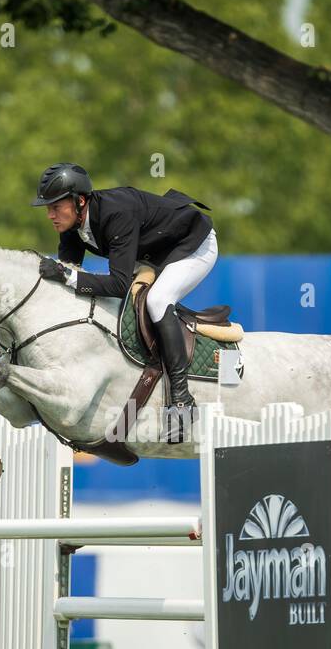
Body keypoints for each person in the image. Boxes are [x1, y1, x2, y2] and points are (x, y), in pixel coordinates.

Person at [32, 162, 217, 442]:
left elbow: (117, 285)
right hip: (154, 251)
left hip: (193, 245)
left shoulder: (116, 213)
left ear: (80, 201)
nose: (50, 214)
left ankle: (181, 399)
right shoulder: (71, 225)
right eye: (48, 207)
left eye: (56, 206)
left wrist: (65, 274)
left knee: (157, 300)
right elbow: (69, 273)